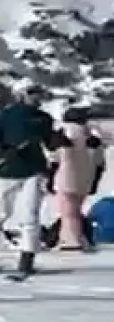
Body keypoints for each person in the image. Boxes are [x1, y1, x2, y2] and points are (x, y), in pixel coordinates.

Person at [0, 86, 55, 278]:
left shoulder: (44, 118)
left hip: (33, 171)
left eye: (38, 94)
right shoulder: (7, 115)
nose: (36, 98)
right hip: (8, 171)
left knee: (29, 216)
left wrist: (65, 142)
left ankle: (26, 260)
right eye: (31, 94)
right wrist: (1, 150)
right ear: (22, 95)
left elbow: (49, 142)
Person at [50, 107, 95, 251]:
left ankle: (71, 241)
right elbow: (98, 159)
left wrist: (50, 176)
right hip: (86, 178)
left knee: (67, 212)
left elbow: (56, 156)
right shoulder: (89, 134)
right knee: (76, 210)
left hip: (66, 175)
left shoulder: (64, 132)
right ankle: (78, 237)